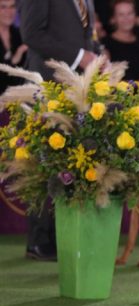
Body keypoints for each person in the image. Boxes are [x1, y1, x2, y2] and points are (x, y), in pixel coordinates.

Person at [18, 0, 100, 261]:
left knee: (68, 162)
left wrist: (96, 54)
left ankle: (62, 236)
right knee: (44, 161)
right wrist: (79, 56)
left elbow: (84, 32)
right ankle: (40, 241)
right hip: (46, 83)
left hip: (74, 86)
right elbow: (31, 34)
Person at [103, 0, 139, 82]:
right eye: (121, 15)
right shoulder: (106, 44)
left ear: (136, 16)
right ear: (113, 19)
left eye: (130, 13)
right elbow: (105, 79)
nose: (126, 18)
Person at [0, 0, 26, 95]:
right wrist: (14, 61)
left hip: (17, 98)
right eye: (3, 7)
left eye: (12, 6)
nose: (9, 11)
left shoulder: (20, 35)